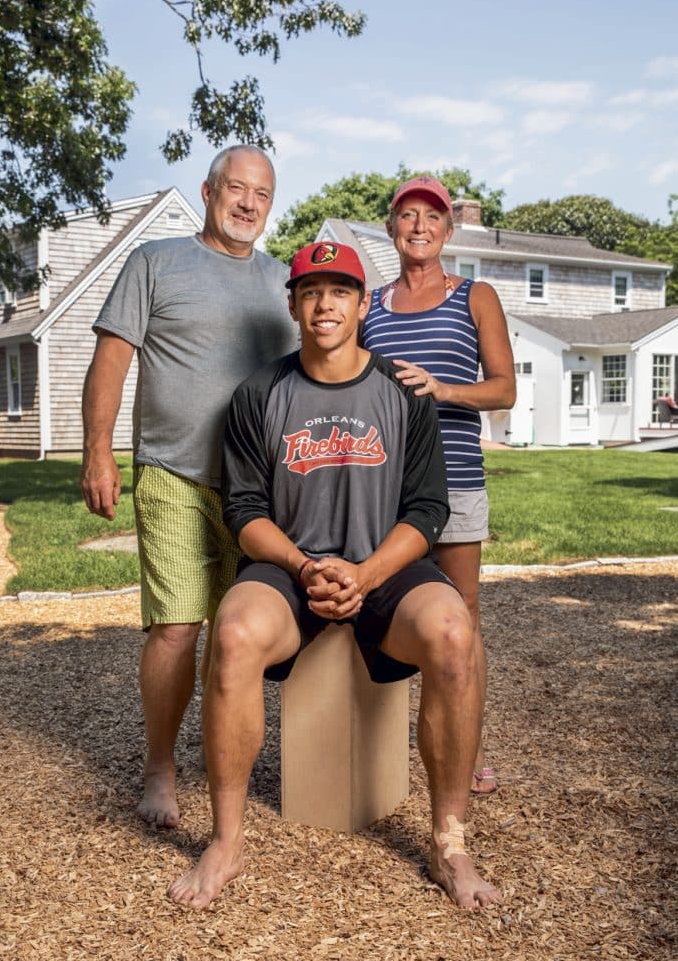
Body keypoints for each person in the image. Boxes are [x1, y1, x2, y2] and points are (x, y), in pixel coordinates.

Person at [168, 241, 502, 910]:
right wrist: (302, 565)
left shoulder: (401, 391)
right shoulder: (259, 393)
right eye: (311, 292)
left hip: (383, 568)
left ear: (360, 305)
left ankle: (450, 843)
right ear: (292, 305)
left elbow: (427, 509)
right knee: (232, 635)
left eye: (340, 291)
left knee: (453, 634)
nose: (325, 304)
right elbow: (244, 511)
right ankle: (226, 842)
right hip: (289, 568)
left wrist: (367, 573)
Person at [81, 145, 298, 829]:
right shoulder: (155, 262)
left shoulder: (284, 283)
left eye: (261, 195)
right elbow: (111, 359)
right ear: (208, 191)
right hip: (172, 471)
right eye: (236, 188)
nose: (247, 204)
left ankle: (220, 757)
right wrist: (97, 452)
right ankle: (160, 767)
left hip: (256, 490)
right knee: (177, 626)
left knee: (237, 631)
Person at [361, 176, 516, 795]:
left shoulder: (476, 296)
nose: (419, 226)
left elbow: (503, 389)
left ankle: (464, 746)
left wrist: (442, 388)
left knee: (462, 615)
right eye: (408, 215)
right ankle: (375, 748)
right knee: (384, 608)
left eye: (432, 217)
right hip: (383, 489)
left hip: (454, 478)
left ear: (449, 230)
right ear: (391, 228)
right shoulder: (370, 305)